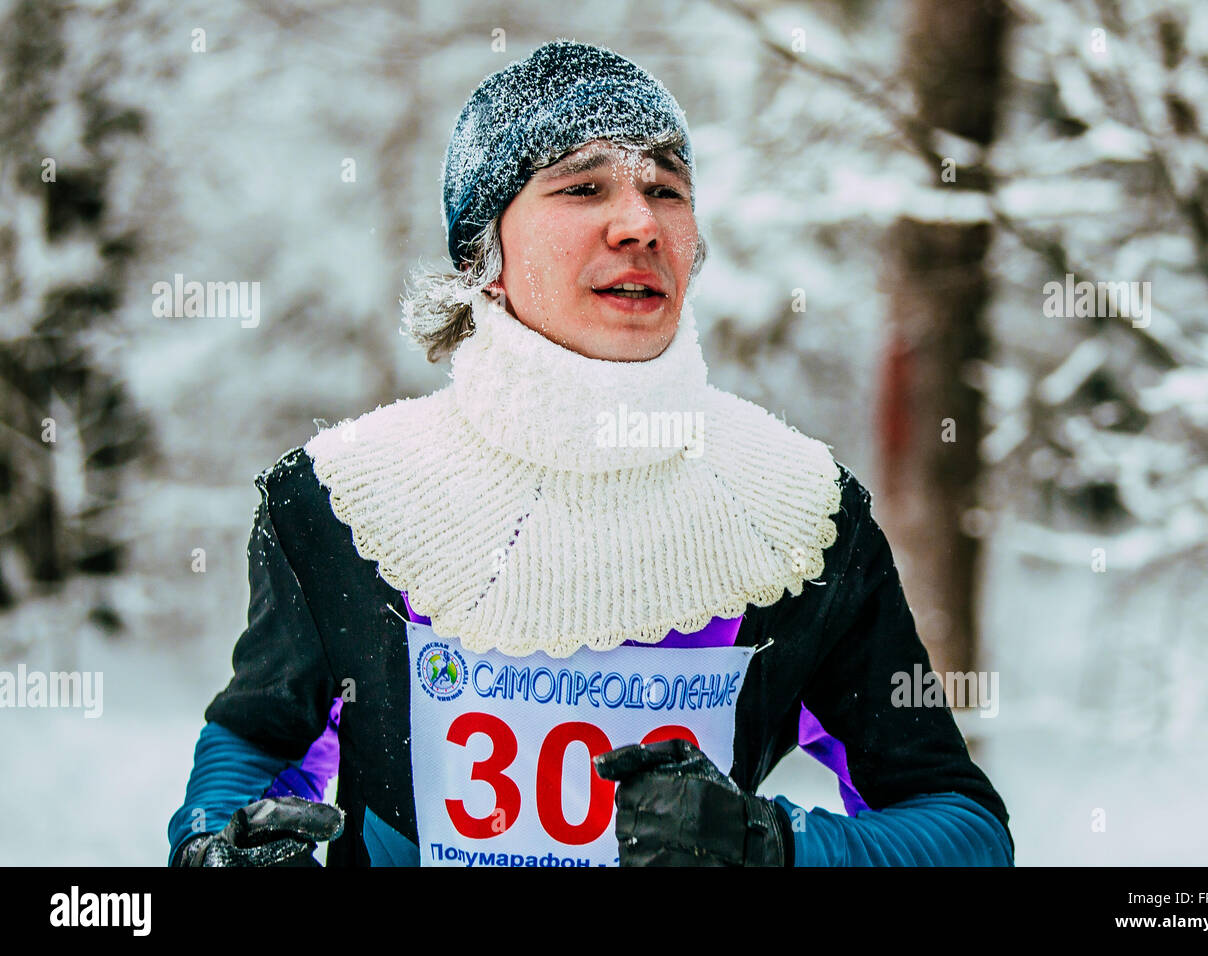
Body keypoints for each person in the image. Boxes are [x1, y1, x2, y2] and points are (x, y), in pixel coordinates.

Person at [167, 39, 1014, 868]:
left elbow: (965, 831)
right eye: (584, 186)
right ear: (484, 254)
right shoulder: (338, 498)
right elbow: (255, 743)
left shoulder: (801, 511)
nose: (640, 222)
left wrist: (774, 846)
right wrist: (217, 848)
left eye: (667, 189)